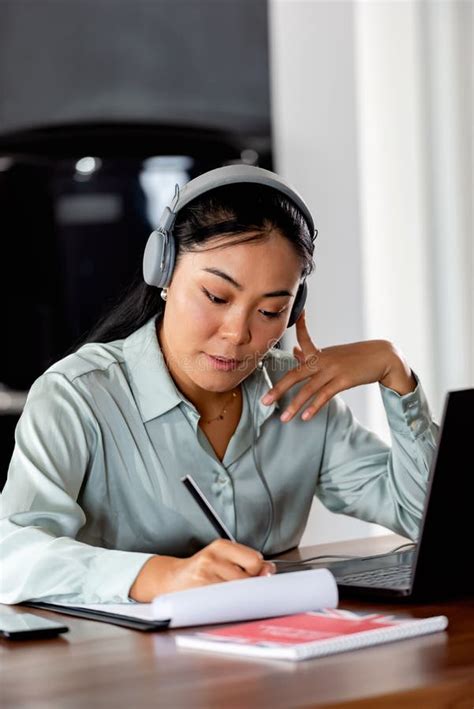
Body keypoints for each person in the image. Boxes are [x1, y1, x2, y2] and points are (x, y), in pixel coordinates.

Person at [0, 166, 438, 605]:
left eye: (270, 311)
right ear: (164, 274)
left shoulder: (301, 393)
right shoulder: (77, 395)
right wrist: (158, 575)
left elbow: (429, 520)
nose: (237, 333)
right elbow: (12, 557)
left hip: (276, 650)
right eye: (216, 296)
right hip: (121, 662)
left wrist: (395, 373)